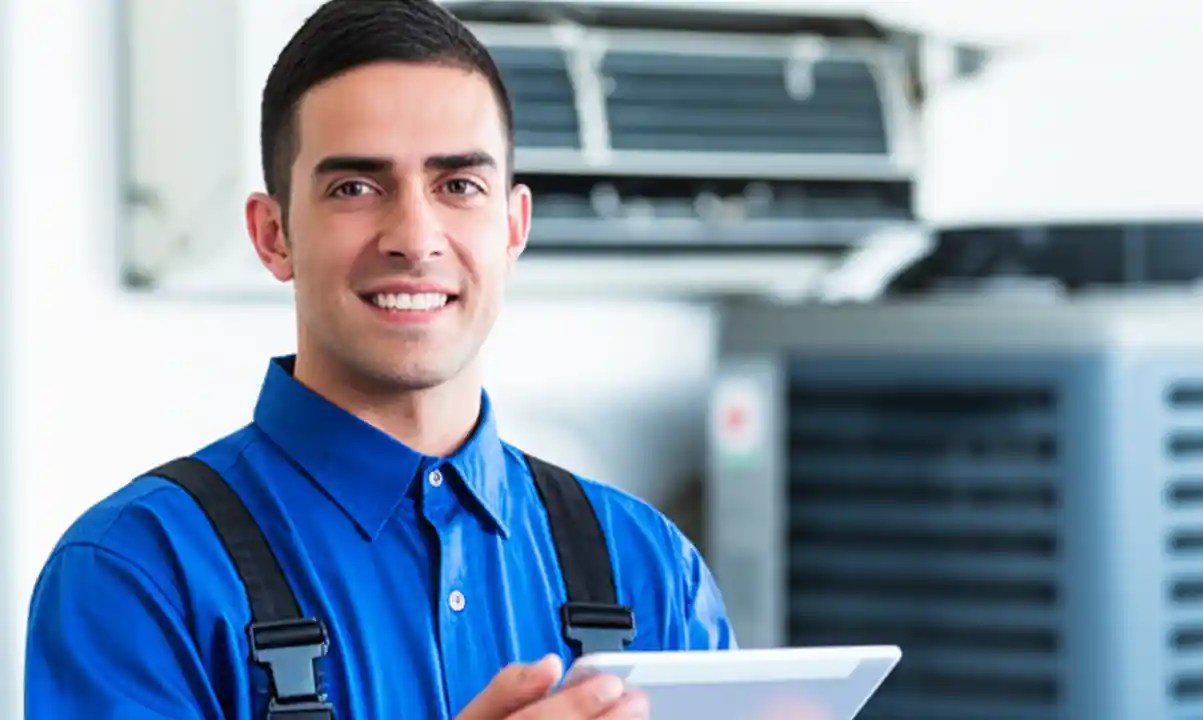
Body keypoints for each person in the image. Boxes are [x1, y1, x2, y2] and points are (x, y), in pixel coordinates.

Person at [24, 1, 735, 717]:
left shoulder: (648, 569)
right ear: (274, 236)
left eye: (459, 186)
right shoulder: (137, 576)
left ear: (514, 228)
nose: (415, 238)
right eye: (356, 188)